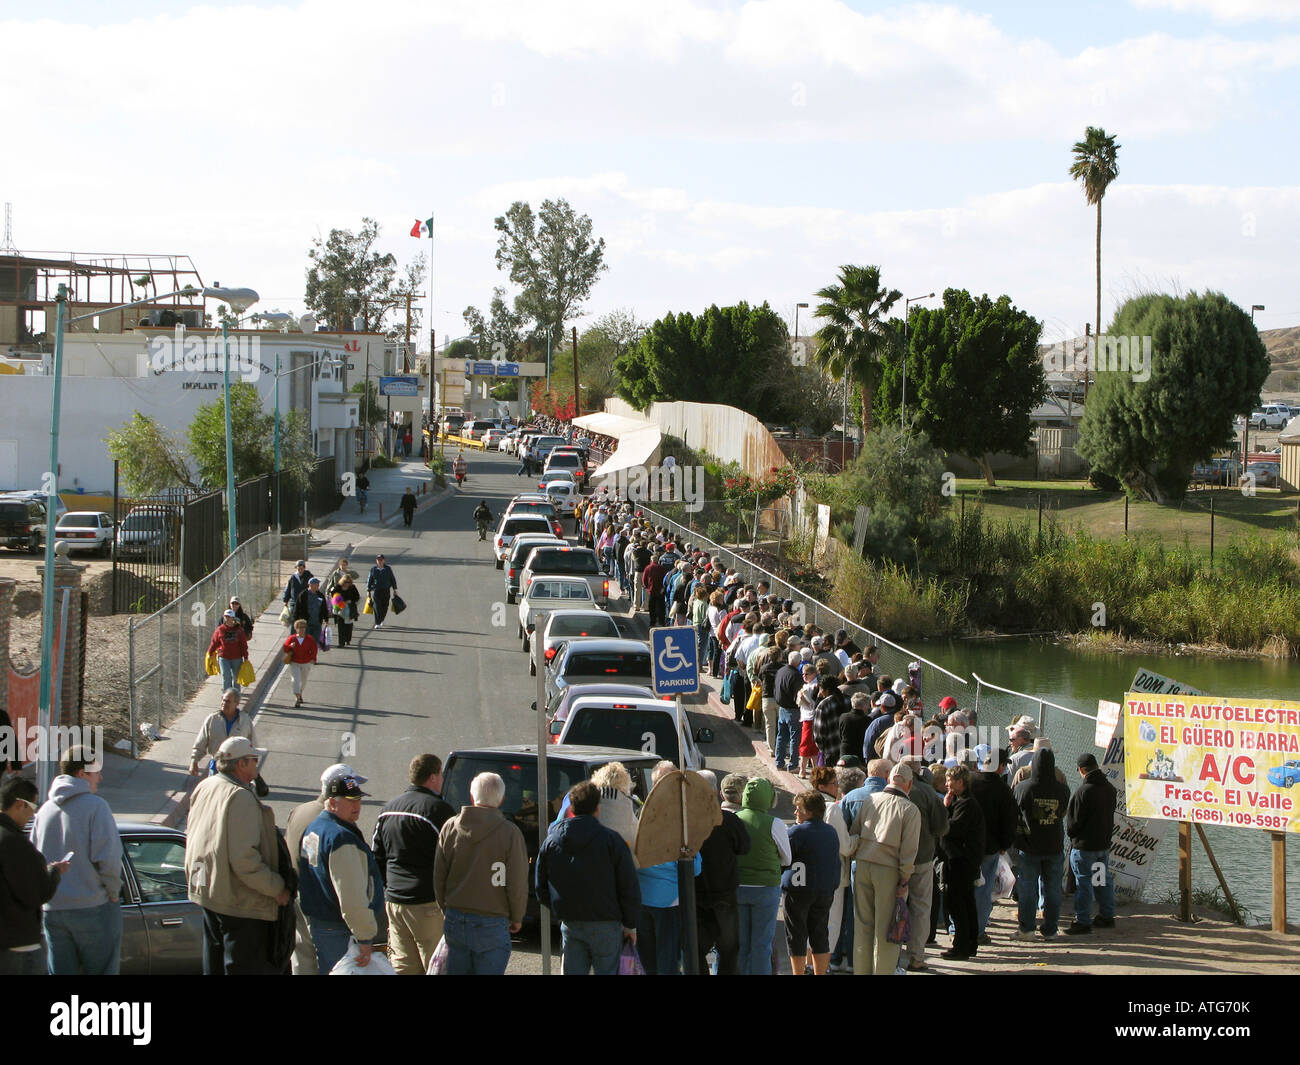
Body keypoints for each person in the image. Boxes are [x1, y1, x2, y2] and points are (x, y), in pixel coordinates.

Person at [186, 736, 291, 975]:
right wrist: (276, 887)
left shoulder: (206, 786)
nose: (257, 765)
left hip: (209, 894)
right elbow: (245, 860)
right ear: (241, 764)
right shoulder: (239, 796)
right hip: (239, 903)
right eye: (254, 760)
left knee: (214, 966)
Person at [30, 746, 123, 975]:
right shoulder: (97, 807)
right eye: (96, 772)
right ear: (82, 773)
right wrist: (113, 892)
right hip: (92, 906)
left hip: (53, 909)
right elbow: (108, 859)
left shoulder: (44, 812)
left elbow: (34, 861)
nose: (100, 778)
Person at [536, 780, 642, 976]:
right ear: (597, 808)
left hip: (571, 921)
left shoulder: (552, 841)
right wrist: (630, 924)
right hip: (606, 922)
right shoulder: (612, 841)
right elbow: (628, 885)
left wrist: (559, 907)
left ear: (571, 808)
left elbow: (540, 884)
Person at [435, 772, 528, 975]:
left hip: (456, 916)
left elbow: (440, 875)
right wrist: (517, 915)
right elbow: (516, 882)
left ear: (471, 796)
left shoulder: (451, 827)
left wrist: (445, 906)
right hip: (493, 920)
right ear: (501, 799)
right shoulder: (510, 833)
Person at [371, 754, 455, 975]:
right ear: (433, 777)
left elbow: (376, 856)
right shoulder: (439, 810)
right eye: (441, 775)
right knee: (435, 965)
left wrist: (390, 886)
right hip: (426, 903)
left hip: (395, 902)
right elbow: (453, 858)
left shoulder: (388, 809)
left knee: (403, 966)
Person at [285, 763, 367, 976]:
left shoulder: (299, 811)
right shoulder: (334, 823)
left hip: (298, 897)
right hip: (326, 907)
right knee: (335, 966)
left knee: (303, 961)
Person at [299, 774, 385, 974]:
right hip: (341, 929)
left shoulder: (315, 828)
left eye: (358, 799)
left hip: (323, 925)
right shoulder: (340, 837)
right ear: (331, 802)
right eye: (349, 801)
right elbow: (351, 894)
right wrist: (364, 937)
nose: (357, 806)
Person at [845, 762, 921, 975]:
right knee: (887, 930)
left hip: (863, 864)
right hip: (889, 870)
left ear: (889, 780)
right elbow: (909, 850)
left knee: (863, 926)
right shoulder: (910, 809)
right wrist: (905, 879)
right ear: (909, 784)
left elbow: (855, 830)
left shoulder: (871, 800)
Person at [635, 762, 702, 975]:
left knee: (646, 959)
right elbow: (695, 867)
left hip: (642, 896)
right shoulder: (681, 818)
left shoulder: (641, 813)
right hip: (669, 901)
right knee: (668, 959)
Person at [0, 776, 70, 974]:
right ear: (19, 805)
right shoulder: (14, 843)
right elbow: (36, 892)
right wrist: (54, 872)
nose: (33, 815)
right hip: (19, 944)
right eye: (33, 806)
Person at [1011, 745, 1071, 941]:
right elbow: (1062, 813)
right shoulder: (1063, 789)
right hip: (1054, 844)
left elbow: (1014, 813)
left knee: (1027, 888)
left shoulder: (1022, 788)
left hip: (1029, 846)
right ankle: (1051, 929)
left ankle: (1027, 929)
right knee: (1053, 888)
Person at [695, 770, 750, 975]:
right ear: (717, 793)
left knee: (696, 948)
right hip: (724, 893)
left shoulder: (688, 821)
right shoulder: (728, 820)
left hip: (697, 893)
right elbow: (744, 847)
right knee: (728, 949)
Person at [735, 776, 791, 975]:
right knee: (761, 944)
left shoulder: (735, 818)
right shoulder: (774, 823)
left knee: (741, 943)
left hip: (739, 887)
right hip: (766, 888)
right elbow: (787, 858)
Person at [783, 789, 840, 975]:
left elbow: (784, 859)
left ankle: (798, 972)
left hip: (798, 889)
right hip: (824, 889)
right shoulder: (831, 832)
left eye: (798, 809)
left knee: (796, 934)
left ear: (808, 811)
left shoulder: (795, 832)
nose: (795, 813)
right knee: (820, 933)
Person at [899, 755, 948, 972]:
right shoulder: (928, 792)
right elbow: (940, 827)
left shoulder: (889, 792)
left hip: (895, 859)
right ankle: (916, 956)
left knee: (894, 907)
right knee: (920, 908)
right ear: (918, 771)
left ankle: (889, 956)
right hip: (922, 857)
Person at [1064, 752, 1118, 935]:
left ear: (1081, 770)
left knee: (1084, 883)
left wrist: (1072, 835)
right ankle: (1107, 915)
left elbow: (1072, 823)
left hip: (1085, 847)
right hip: (1102, 846)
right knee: (1101, 880)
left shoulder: (1083, 792)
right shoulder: (1110, 789)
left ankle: (1083, 921)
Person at [969, 745, 1017, 943]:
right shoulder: (1003, 790)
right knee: (983, 888)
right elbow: (1010, 820)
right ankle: (978, 931)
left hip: (966, 845)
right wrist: (1005, 844)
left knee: (964, 886)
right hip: (990, 847)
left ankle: (957, 928)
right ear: (1001, 766)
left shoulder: (970, 781)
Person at [939, 763, 985, 959]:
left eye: (950, 780)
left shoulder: (966, 804)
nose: (947, 783)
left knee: (958, 904)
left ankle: (962, 946)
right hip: (963, 859)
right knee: (966, 902)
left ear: (960, 782)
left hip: (961, 860)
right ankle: (969, 943)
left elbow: (953, 829)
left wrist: (944, 810)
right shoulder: (962, 801)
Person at [189, 690, 258, 777]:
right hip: (216, 767)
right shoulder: (212, 719)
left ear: (236, 703)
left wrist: (253, 767)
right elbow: (200, 742)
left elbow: (253, 745)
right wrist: (194, 761)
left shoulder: (245, 721)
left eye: (228, 701)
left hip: (238, 770)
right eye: (223, 700)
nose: (224, 703)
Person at [207, 609, 250, 694]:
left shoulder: (239, 630)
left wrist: (245, 657)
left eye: (229, 617)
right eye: (226, 617)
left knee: (236, 678)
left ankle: (235, 696)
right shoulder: (220, 629)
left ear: (233, 618)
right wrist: (210, 652)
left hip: (236, 658)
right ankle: (226, 696)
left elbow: (243, 645)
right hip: (223, 657)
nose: (227, 619)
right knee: (226, 677)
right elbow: (214, 642)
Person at [282, 619, 318, 708]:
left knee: (303, 681)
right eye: (299, 627)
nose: (302, 629)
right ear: (296, 628)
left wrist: (313, 658)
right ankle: (297, 698)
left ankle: (300, 693)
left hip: (306, 663)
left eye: (303, 627)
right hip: (295, 662)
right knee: (295, 680)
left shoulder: (309, 639)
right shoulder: (292, 638)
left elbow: (314, 649)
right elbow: (285, 648)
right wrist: (290, 646)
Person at [294, 575, 330, 648]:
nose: (317, 586)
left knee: (315, 641)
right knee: (305, 640)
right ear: (310, 585)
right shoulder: (303, 595)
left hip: (317, 622)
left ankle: (311, 655)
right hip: (306, 623)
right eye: (316, 584)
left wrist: (326, 619)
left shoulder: (320, 595)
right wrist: (296, 620)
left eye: (318, 584)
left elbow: (324, 608)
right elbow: (297, 608)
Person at [367, 553, 398, 629]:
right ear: (376, 561)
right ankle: (377, 622)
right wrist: (368, 590)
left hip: (386, 590)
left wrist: (395, 589)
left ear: (384, 560)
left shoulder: (388, 569)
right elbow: (369, 580)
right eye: (378, 560)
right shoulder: (373, 569)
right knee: (377, 607)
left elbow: (392, 579)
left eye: (381, 560)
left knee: (385, 606)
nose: (380, 561)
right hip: (376, 591)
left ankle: (381, 619)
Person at [331, 574, 360, 648]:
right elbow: (333, 595)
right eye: (345, 582)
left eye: (348, 582)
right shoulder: (338, 587)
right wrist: (339, 600)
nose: (347, 584)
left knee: (348, 626)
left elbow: (357, 597)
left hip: (349, 609)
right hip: (339, 610)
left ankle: (347, 639)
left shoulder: (352, 587)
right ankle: (341, 642)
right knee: (340, 626)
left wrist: (351, 601)